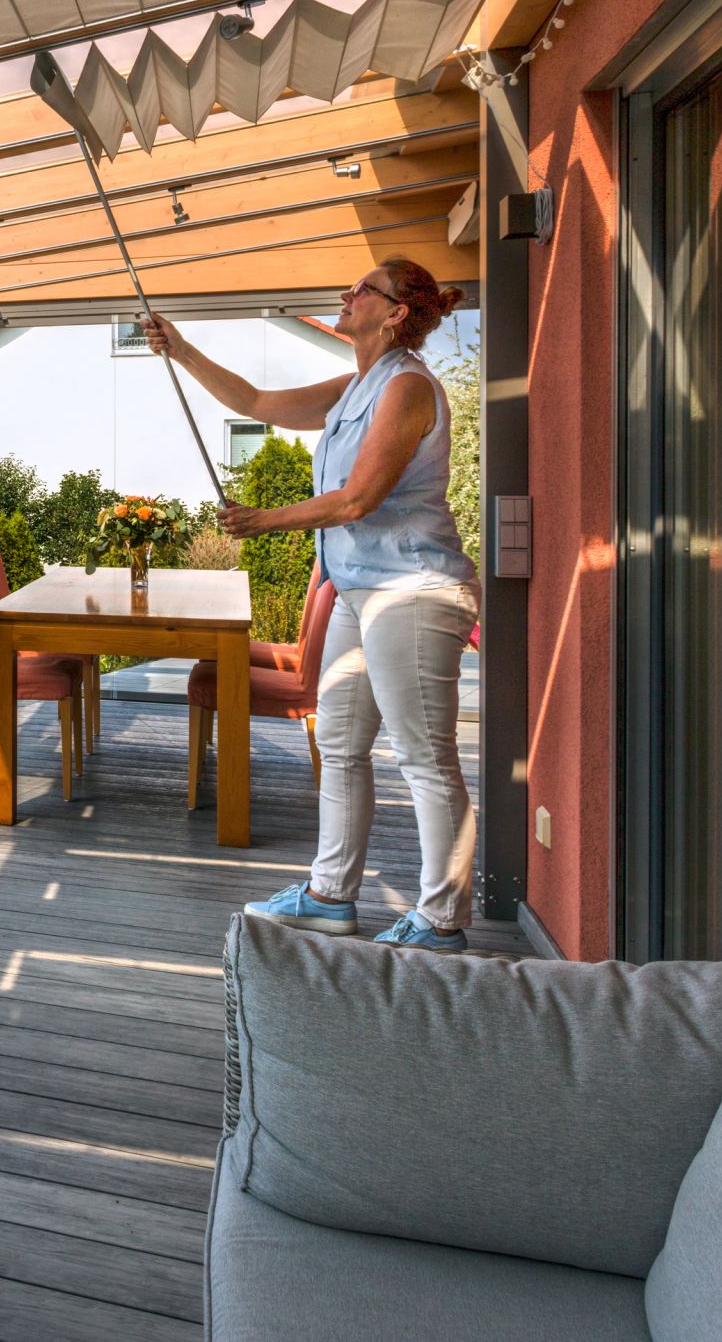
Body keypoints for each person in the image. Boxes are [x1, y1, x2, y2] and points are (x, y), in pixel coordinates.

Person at [146, 258, 479, 950]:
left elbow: (359, 497)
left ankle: (442, 919)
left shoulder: (408, 387)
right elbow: (255, 402)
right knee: (341, 743)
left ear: (393, 313)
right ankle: (331, 895)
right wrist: (180, 348)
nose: (344, 294)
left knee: (423, 756)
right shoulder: (356, 385)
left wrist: (262, 519)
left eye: (362, 289)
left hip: (413, 591)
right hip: (362, 590)